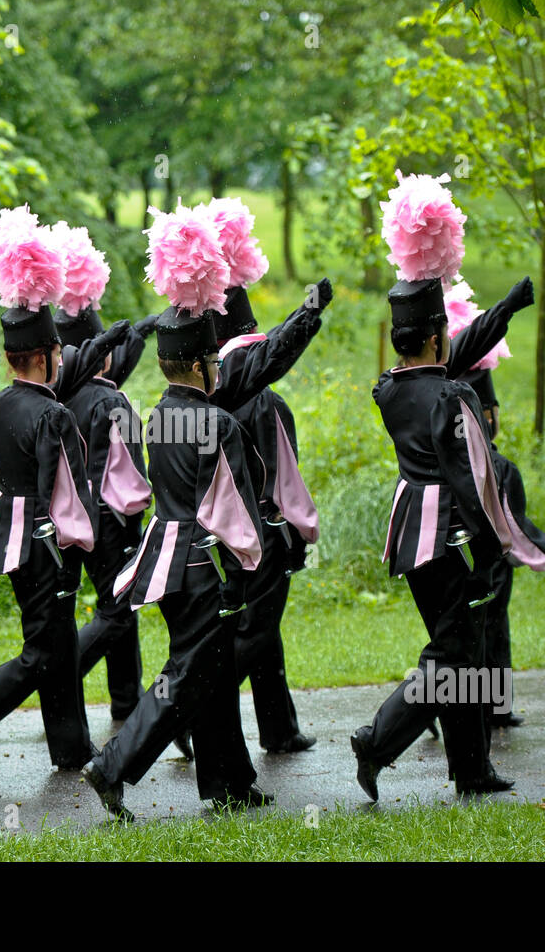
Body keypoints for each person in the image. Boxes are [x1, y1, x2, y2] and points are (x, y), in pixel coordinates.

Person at [84, 205, 327, 820]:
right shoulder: (215, 420)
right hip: (202, 568)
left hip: (164, 564)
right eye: (214, 360)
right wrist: (250, 568)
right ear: (199, 364)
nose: (221, 366)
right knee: (189, 676)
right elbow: (233, 510)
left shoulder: (159, 414)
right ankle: (112, 766)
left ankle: (229, 783)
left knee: (215, 675)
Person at [352, 171, 545, 799]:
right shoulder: (454, 395)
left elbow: (455, 350)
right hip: (452, 535)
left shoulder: (391, 388)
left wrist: (503, 313)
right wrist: (527, 541)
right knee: (454, 650)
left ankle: (472, 769)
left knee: (457, 649)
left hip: (411, 531)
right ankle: (378, 739)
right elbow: (482, 485)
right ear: (436, 336)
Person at [0, 207, 129, 777]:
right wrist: (83, 542)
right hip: (47, 542)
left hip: (12, 534)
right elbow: (62, 491)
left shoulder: (1, 403)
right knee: (42, 652)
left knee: (59, 645)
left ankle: (71, 749)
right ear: (47, 356)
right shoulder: (51, 414)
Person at [204, 196, 324, 754]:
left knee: (261, 629)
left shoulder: (215, 392)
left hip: (227, 533)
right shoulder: (266, 401)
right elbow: (286, 481)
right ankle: (192, 711)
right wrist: (302, 533)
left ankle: (279, 728)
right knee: (254, 633)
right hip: (267, 530)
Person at [50, 222, 157, 722]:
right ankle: (64, 678)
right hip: (111, 519)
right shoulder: (109, 399)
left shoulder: (60, 393)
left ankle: (125, 699)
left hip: (71, 515)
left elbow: (124, 346)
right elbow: (131, 476)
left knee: (117, 607)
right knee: (118, 609)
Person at [444, 277, 545, 729]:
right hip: (488, 561)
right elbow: (513, 524)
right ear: (487, 415)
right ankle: (493, 704)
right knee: (491, 623)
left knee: (456, 634)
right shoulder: (500, 466)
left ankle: (458, 705)